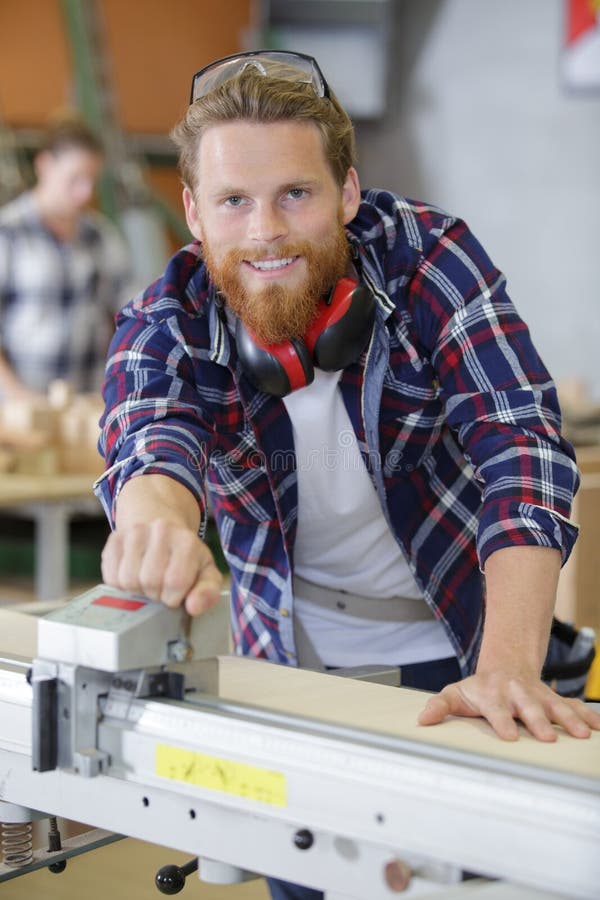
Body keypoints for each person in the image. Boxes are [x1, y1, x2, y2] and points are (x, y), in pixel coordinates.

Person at [94, 51, 600, 900]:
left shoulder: (430, 259)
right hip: (287, 671)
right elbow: (149, 439)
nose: (264, 232)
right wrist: (157, 534)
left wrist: (508, 664)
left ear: (349, 193)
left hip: (467, 650)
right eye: (232, 201)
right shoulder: (166, 318)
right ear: (193, 212)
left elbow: (523, 451)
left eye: (295, 193)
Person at [0, 114, 131, 400]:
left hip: (88, 403)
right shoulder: (7, 234)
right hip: (18, 407)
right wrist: (17, 395)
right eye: (75, 179)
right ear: (45, 165)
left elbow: (133, 316)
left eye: (91, 181)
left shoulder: (102, 238)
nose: (85, 193)